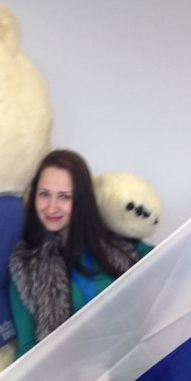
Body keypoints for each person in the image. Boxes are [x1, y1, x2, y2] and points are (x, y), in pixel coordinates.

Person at [9, 149, 143, 358]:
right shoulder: (24, 266)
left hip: (134, 367)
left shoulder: (121, 246)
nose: (51, 207)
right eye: (44, 194)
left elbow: (175, 264)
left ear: (81, 200)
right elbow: (27, 350)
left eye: (64, 197)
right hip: (70, 375)